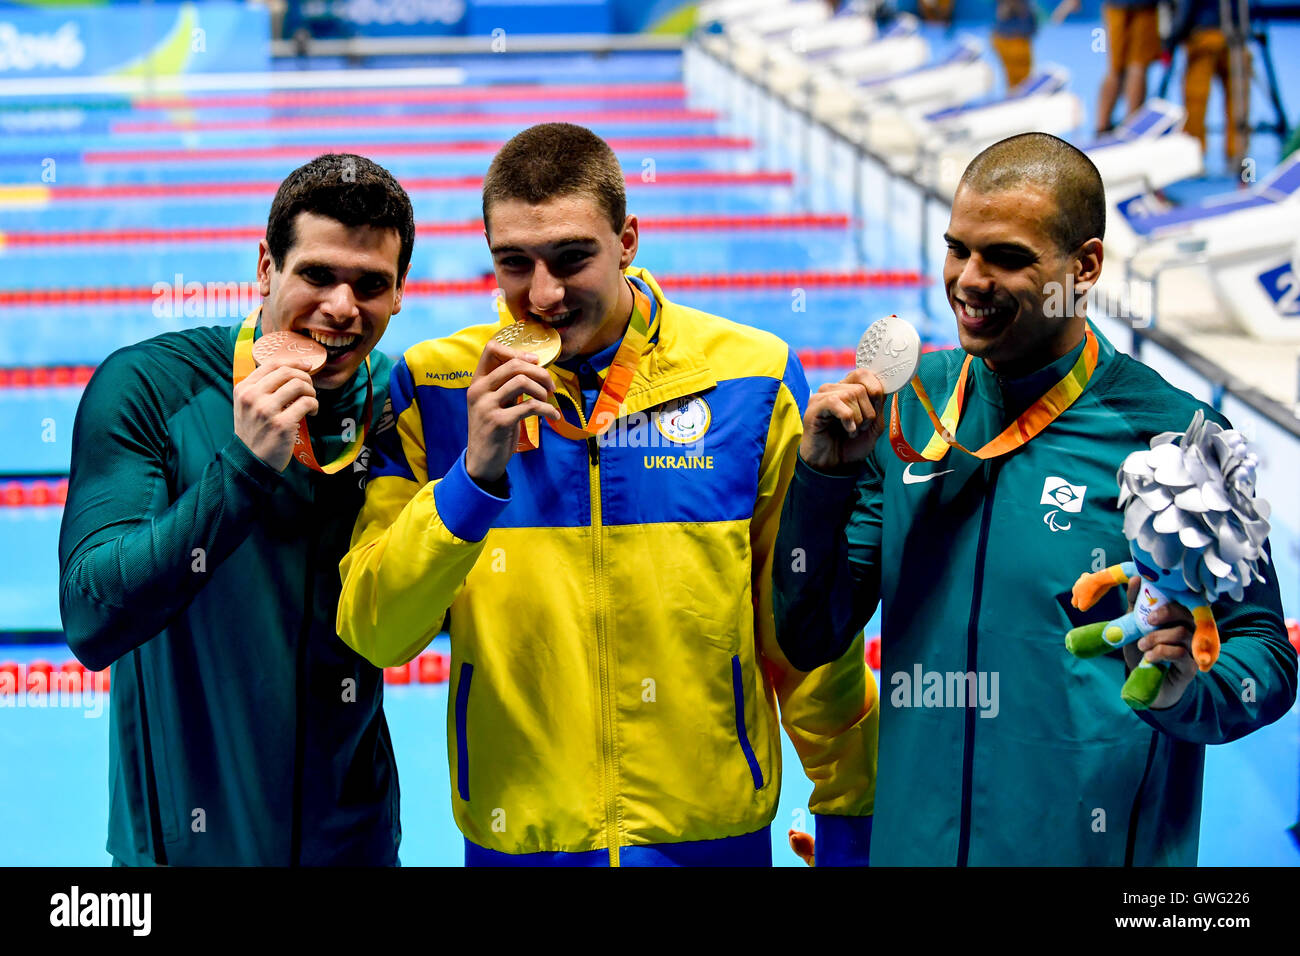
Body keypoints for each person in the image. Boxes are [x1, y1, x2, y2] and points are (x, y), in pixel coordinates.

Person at [337, 122, 877, 866]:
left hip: (709, 839)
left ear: (627, 239)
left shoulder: (751, 377)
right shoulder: (434, 388)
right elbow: (376, 629)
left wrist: (854, 824)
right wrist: (474, 476)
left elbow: (805, 629)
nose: (544, 293)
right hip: (520, 841)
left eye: (571, 258)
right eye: (514, 263)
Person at [771, 132, 1297, 865]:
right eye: (958, 249)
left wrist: (1186, 697)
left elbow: (1266, 658)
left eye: (1007, 258)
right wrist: (822, 478)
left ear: (1083, 267)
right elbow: (809, 634)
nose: (968, 280)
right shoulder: (910, 411)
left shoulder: (1171, 434)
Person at [58, 153, 413, 866]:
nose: (343, 306)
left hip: (353, 848)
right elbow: (92, 617)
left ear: (400, 292)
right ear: (265, 267)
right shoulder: (151, 389)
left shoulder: (398, 411)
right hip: (183, 851)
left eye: (370, 284)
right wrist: (244, 470)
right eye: (317, 274)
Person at [1167, 0, 1252, 166]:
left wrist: (1173, 37)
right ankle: (1237, 152)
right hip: (1235, 36)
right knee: (1237, 97)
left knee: (1196, 100)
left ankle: (1193, 156)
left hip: (1203, 36)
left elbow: (1186, 6)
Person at [1095, 0, 1162, 135]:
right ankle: (1132, 128)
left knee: (1114, 68)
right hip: (1144, 6)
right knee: (1138, 66)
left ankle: (1101, 126)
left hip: (1115, 4)